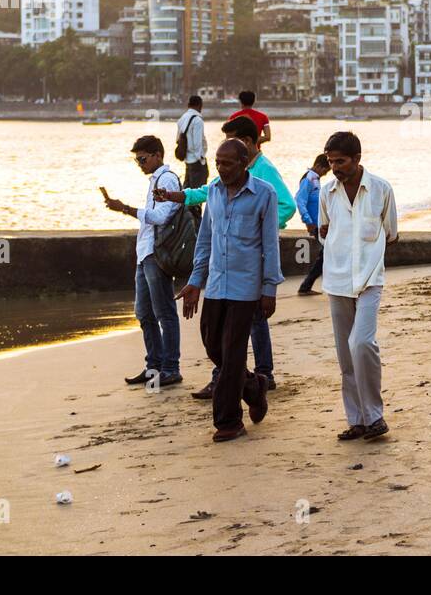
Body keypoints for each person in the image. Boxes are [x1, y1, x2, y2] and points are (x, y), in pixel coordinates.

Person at [158, 116, 295, 395]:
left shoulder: (264, 174)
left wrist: (263, 225)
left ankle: (253, 376)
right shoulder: (221, 186)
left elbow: (287, 206)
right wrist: (176, 197)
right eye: (218, 161)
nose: (219, 166)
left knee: (249, 328)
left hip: (250, 269)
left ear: (245, 144)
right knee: (219, 337)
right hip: (221, 276)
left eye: (231, 141)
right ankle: (248, 378)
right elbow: (206, 204)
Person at [177, 139, 282, 442]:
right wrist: (196, 281)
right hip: (217, 284)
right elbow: (205, 240)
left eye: (227, 163)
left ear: (245, 162)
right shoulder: (214, 192)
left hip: (246, 287)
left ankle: (229, 421)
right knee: (213, 346)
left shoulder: (264, 194)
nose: (220, 168)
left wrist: (269, 288)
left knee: (233, 353)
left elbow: (270, 245)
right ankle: (253, 386)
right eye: (218, 162)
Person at [319, 131, 399, 442]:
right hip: (336, 280)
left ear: (357, 159)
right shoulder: (327, 192)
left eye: (340, 161)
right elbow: (325, 231)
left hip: (369, 279)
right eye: (330, 161)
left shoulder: (381, 190)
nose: (335, 167)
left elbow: (391, 233)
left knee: (362, 344)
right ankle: (358, 420)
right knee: (345, 355)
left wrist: (369, 256)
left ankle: (375, 415)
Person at [103, 135, 183, 387]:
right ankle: (154, 367)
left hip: (156, 255)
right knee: (145, 313)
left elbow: (161, 217)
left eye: (142, 158)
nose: (139, 163)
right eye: (136, 159)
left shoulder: (167, 179)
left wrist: (125, 209)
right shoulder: (156, 180)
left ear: (157, 155)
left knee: (164, 313)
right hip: (146, 253)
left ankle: (170, 368)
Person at [295, 153, 330, 294]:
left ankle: (307, 285)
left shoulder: (315, 179)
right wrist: (308, 221)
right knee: (326, 253)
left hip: (320, 223)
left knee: (326, 253)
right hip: (315, 224)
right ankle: (305, 286)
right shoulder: (309, 178)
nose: (326, 173)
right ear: (319, 166)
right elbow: (300, 200)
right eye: (325, 170)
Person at [176, 96, 207, 222]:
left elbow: (177, 139)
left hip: (187, 161)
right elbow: (197, 144)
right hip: (196, 162)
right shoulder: (197, 120)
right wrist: (201, 159)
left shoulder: (182, 118)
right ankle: (196, 221)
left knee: (186, 193)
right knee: (198, 194)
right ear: (200, 105)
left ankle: (185, 220)